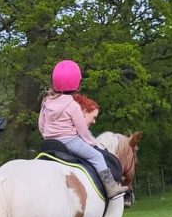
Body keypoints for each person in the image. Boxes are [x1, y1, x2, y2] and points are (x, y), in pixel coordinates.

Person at [38, 60, 129, 198]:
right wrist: (91, 143)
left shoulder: (46, 102)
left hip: (50, 142)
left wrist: (48, 136)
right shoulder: (73, 105)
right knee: (97, 157)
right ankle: (111, 188)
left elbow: (41, 125)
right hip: (69, 141)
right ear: (77, 83)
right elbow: (82, 130)